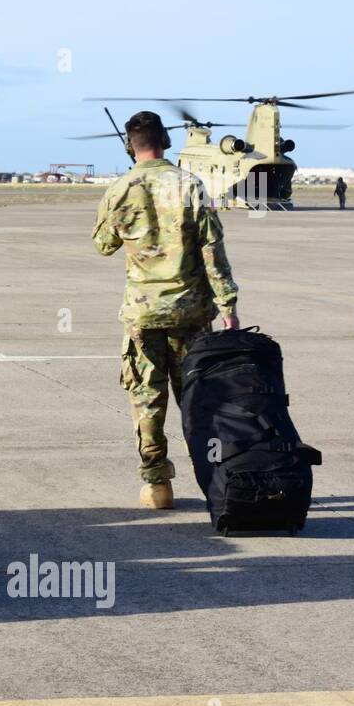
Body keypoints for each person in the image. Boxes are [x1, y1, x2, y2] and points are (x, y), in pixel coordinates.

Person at [94, 110, 240, 509]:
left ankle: (157, 485)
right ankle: (218, 481)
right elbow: (213, 252)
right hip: (191, 314)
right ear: (166, 142)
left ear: (130, 146)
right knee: (199, 401)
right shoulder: (190, 185)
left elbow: (103, 244)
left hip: (143, 315)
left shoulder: (120, 189)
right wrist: (228, 306)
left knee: (147, 401)